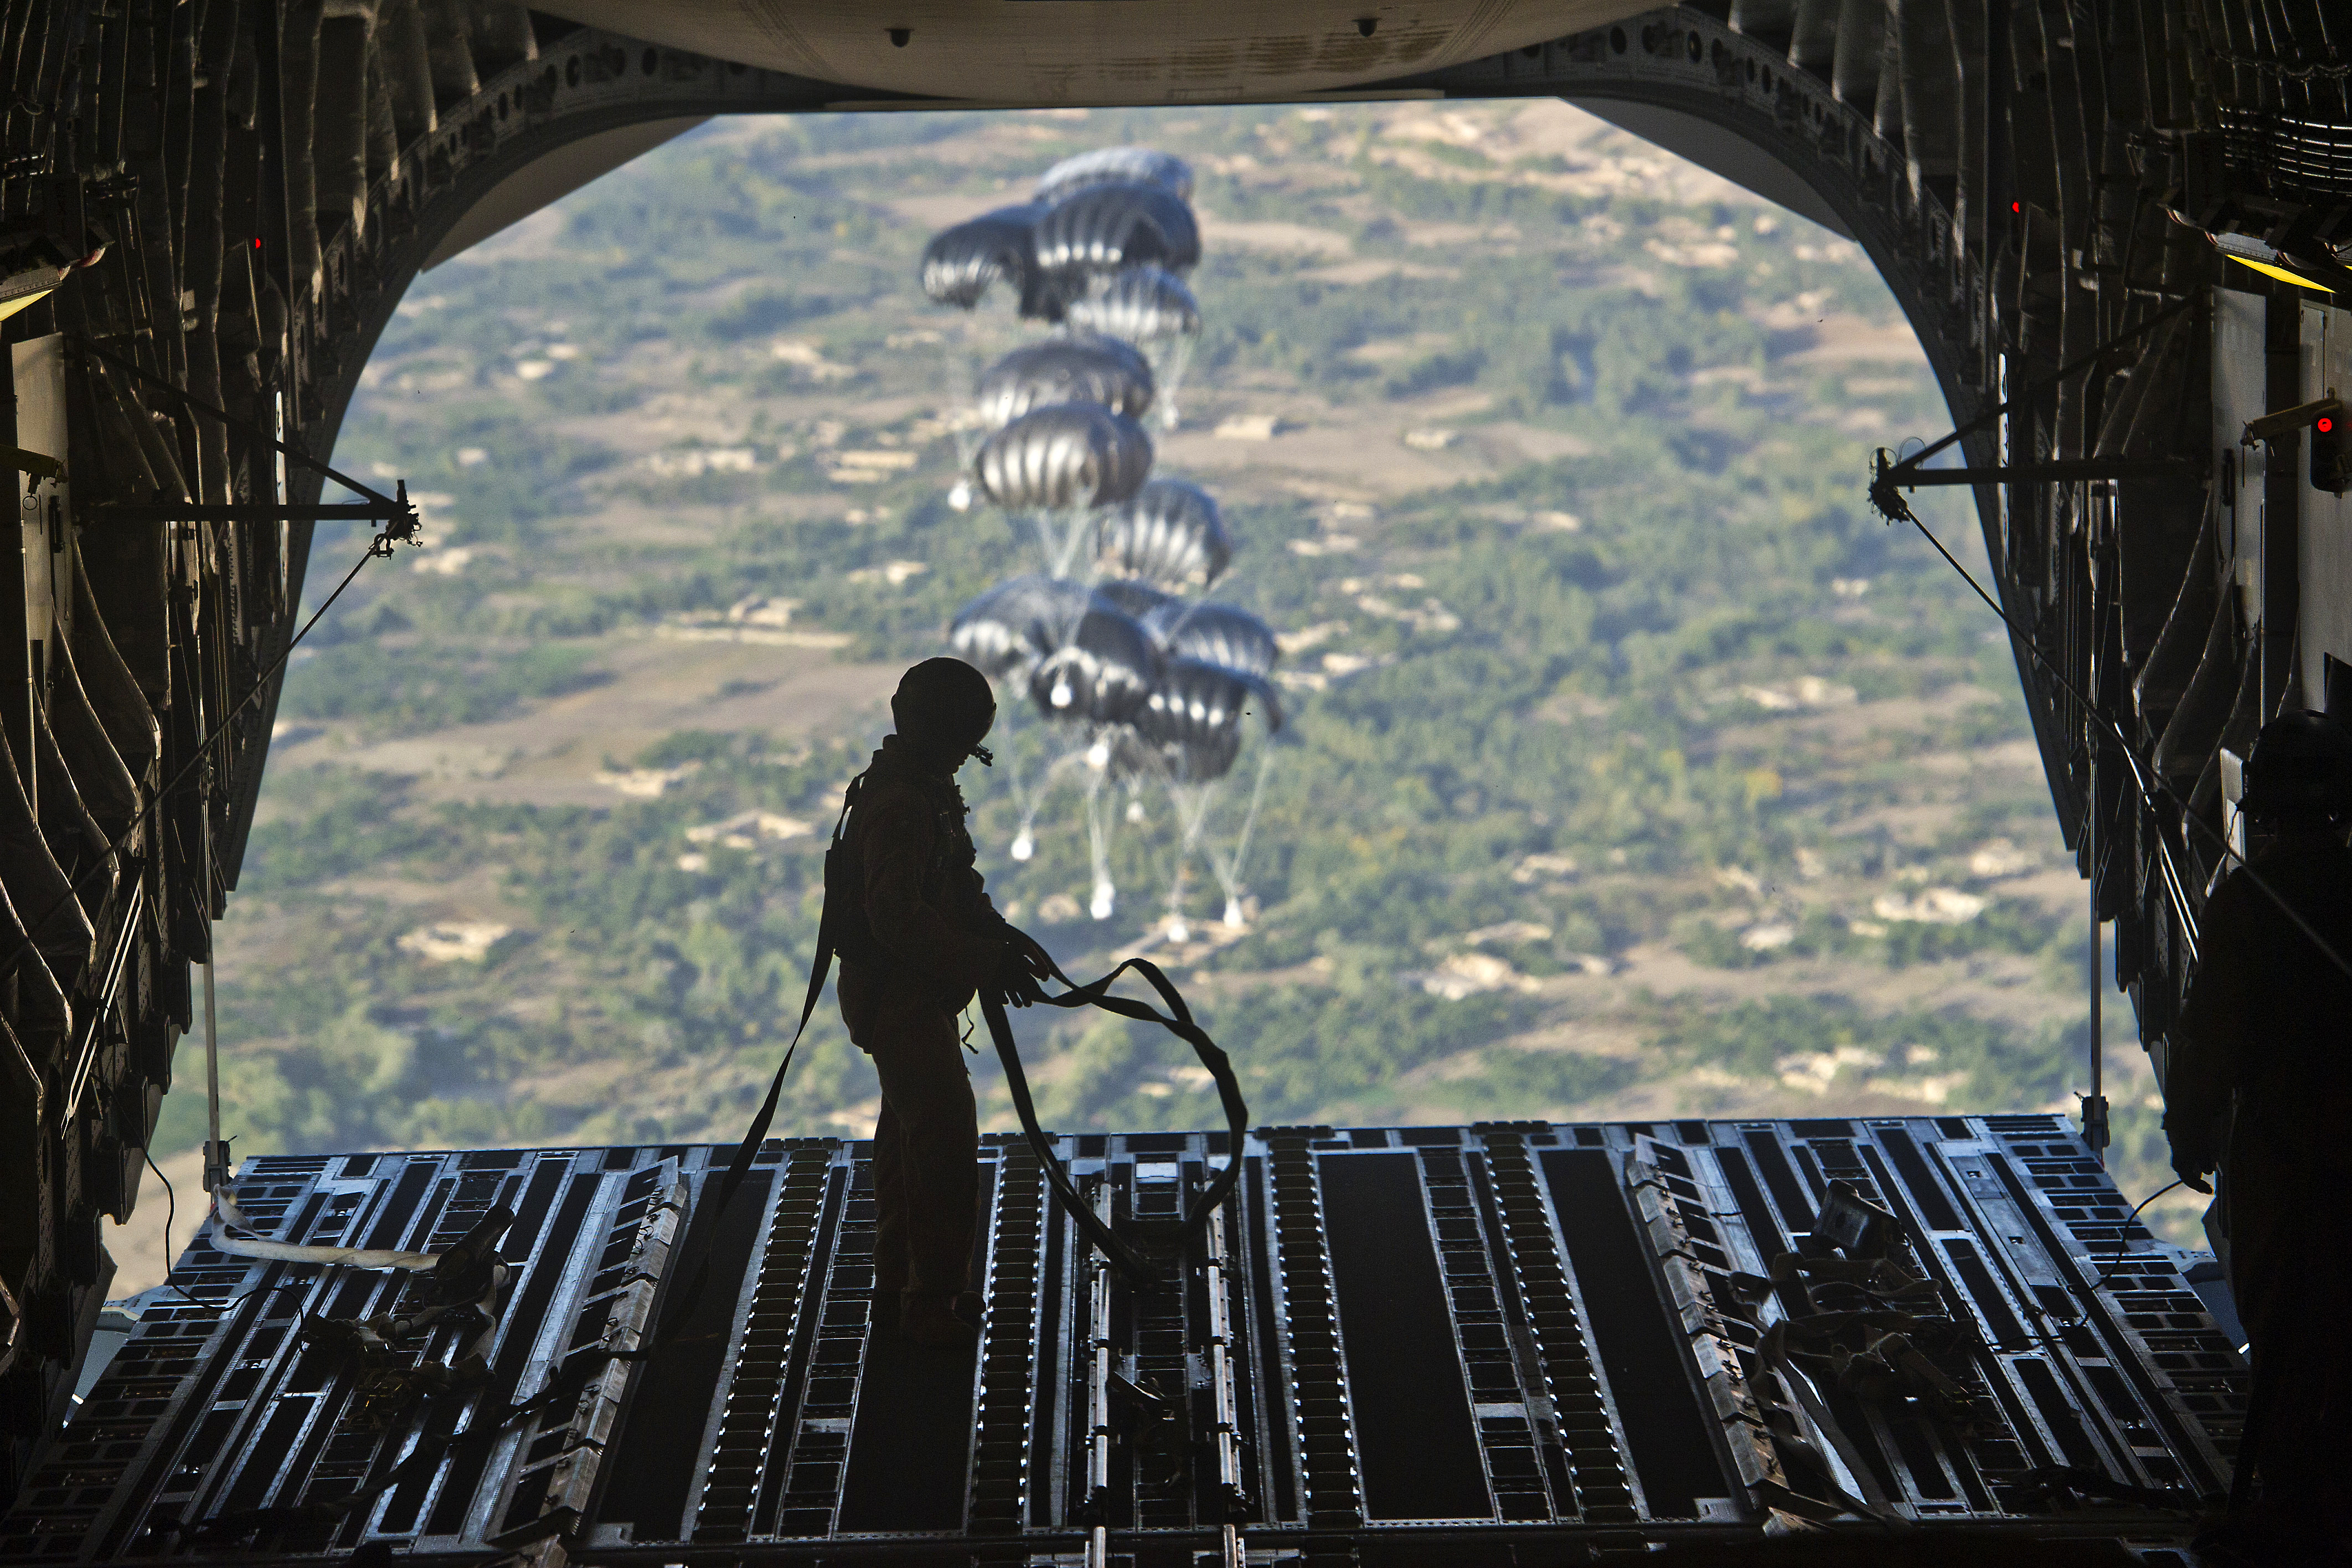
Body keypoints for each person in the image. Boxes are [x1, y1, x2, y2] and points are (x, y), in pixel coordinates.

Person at [2166, 709, 2352, 1556]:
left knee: (2286, 1322)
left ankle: (2290, 1509)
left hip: (2285, 1148)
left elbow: (2212, 1034)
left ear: (2263, 807)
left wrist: (2190, 1130)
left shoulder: (2248, 902)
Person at [833, 657, 1053, 1348]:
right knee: (943, 1142)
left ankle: (900, 1287)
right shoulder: (903, 805)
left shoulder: (917, 789)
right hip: (900, 1001)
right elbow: (897, 916)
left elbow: (953, 882)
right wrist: (983, 958)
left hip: (906, 997)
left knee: (908, 1140)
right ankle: (928, 1306)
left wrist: (997, 938)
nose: (966, 756)